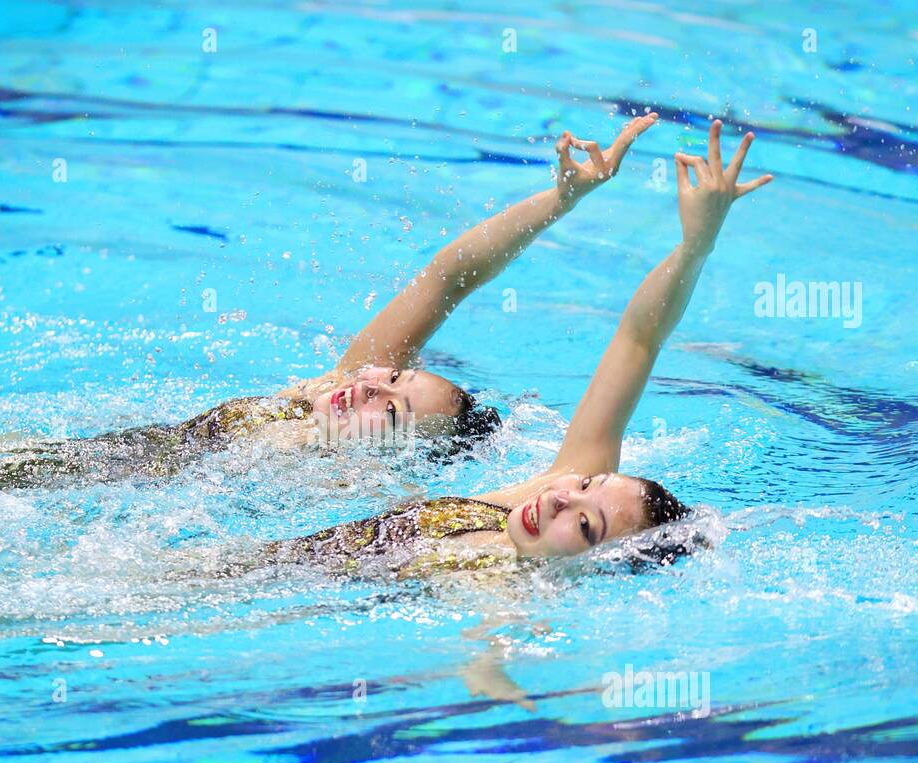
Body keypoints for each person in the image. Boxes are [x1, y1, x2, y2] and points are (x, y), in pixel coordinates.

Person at [0, 114, 662, 488]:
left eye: (388, 411)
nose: (366, 387)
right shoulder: (327, 392)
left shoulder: (340, 486)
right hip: (66, 462)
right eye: (389, 378)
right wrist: (561, 202)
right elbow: (449, 277)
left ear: (396, 458)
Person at [257, 121, 772, 576]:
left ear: (602, 560)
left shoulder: (506, 583)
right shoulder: (526, 503)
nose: (563, 498)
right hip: (225, 563)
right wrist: (693, 245)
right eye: (587, 485)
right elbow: (638, 338)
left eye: (586, 523)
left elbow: (486, 659)